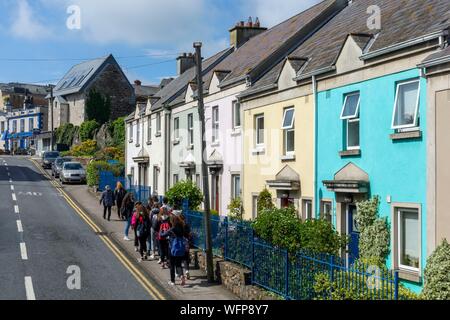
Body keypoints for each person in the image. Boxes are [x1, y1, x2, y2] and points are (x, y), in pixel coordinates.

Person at [160, 215, 187, 286]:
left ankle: (172, 281)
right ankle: (182, 276)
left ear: (172, 221)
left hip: (172, 249)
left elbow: (162, 235)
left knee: (172, 265)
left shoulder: (172, 229)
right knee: (179, 264)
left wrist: (161, 230)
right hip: (180, 248)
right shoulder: (181, 228)